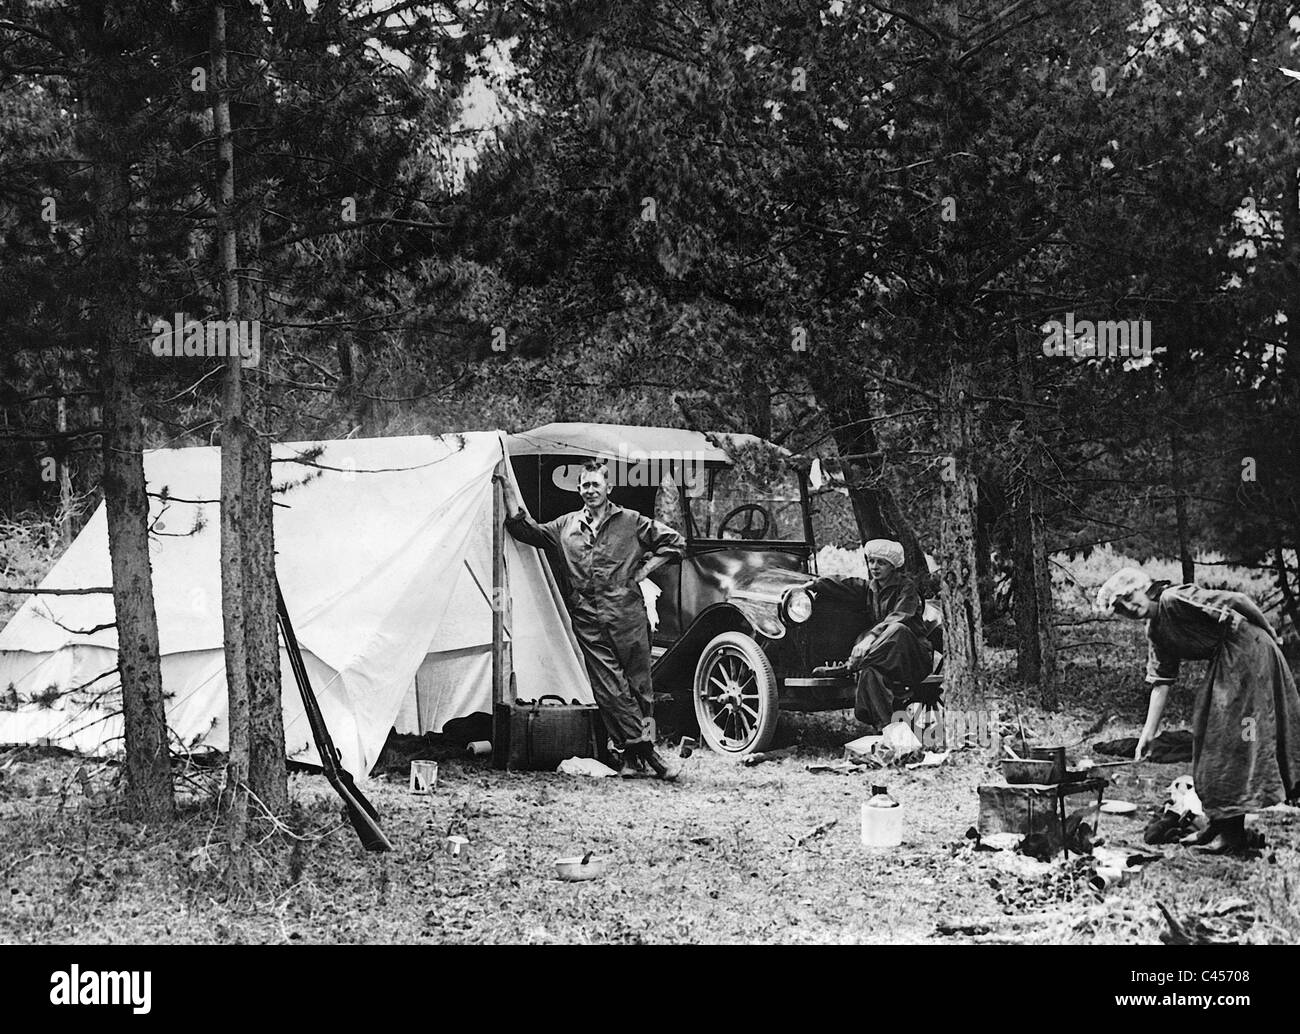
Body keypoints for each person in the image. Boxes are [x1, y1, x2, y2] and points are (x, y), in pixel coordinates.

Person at [497, 459, 685, 779]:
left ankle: (632, 756)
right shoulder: (565, 526)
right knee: (609, 689)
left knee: (642, 690)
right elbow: (523, 527)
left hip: (627, 615)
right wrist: (506, 486)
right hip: (587, 617)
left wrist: (643, 571)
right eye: (585, 485)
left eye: (596, 484)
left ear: (608, 488)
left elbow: (674, 543)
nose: (590, 490)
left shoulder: (631, 521)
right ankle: (649, 755)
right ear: (578, 489)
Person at [1097, 566, 1300, 853]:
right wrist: (1147, 735)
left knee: (1234, 741)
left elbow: (1238, 601)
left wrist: (1268, 632)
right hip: (1226, 664)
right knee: (1209, 744)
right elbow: (1161, 682)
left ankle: (1232, 835)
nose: (1130, 607)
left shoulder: (1173, 599)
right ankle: (1220, 824)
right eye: (1121, 608)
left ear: (1144, 588)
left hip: (1248, 652)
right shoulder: (1155, 631)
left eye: (1131, 597)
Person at [808, 539, 934, 729]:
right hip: (884, 658)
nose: (874, 567)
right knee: (870, 673)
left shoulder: (907, 588)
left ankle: (849, 667)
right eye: (871, 561)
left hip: (911, 655)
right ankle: (887, 729)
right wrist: (812, 584)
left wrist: (870, 638)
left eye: (881, 563)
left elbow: (899, 617)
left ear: (893, 566)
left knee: (897, 629)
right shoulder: (871, 588)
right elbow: (844, 583)